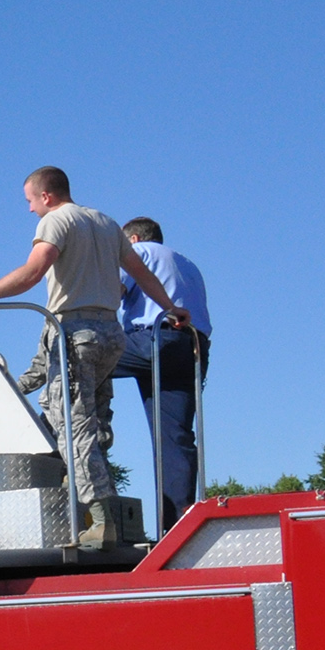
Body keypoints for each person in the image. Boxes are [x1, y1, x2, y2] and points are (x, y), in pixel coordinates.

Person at [0, 167, 187, 548]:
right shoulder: (106, 222)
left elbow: (33, 271)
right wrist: (171, 308)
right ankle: (77, 486)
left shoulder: (57, 221)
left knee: (73, 425)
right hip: (110, 335)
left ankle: (100, 515)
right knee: (88, 418)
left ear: (46, 196)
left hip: (75, 333)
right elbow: (141, 272)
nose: (29, 209)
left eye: (29, 200)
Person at [112, 217, 211, 532]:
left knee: (81, 357)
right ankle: (177, 526)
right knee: (175, 438)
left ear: (135, 239)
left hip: (154, 340)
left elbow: (111, 292)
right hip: (193, 348)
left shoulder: (138, 254)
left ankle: (65, 441)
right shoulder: (188, 265)